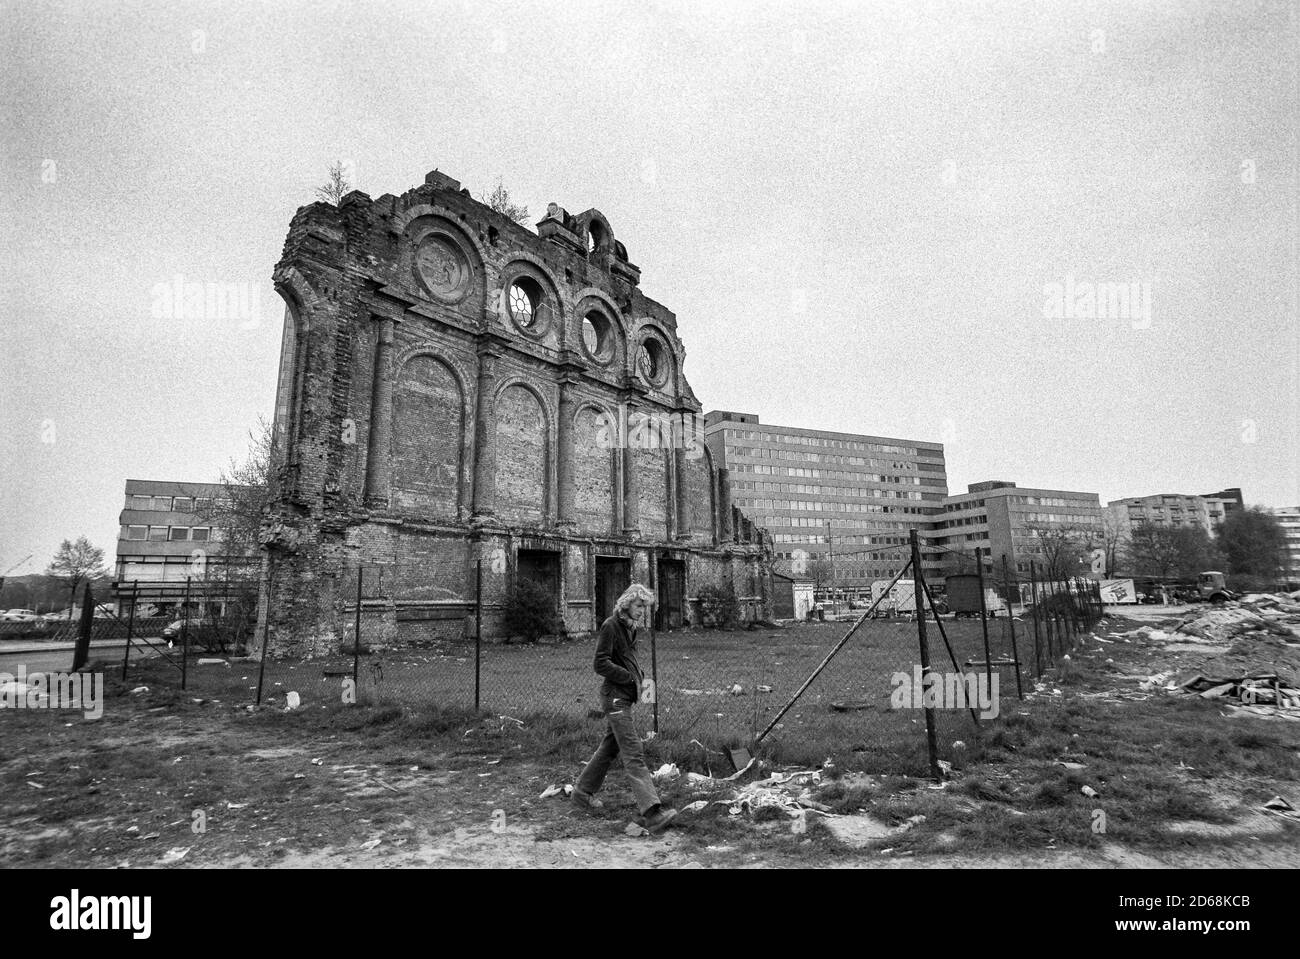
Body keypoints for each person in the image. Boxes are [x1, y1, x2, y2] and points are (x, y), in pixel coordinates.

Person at [572, 583, 678, 833]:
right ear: (627, 603)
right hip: (615, 698)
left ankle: (581, 792)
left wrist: (638, 681)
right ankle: (652, 812)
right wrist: (629, 678)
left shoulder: (630, 628)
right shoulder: (611, 625)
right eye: (640, 605)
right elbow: (600, 663)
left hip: (624, 698)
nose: (643, 611)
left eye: (645, 607)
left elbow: (628, 660)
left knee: (610, 747)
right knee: (633, 752)